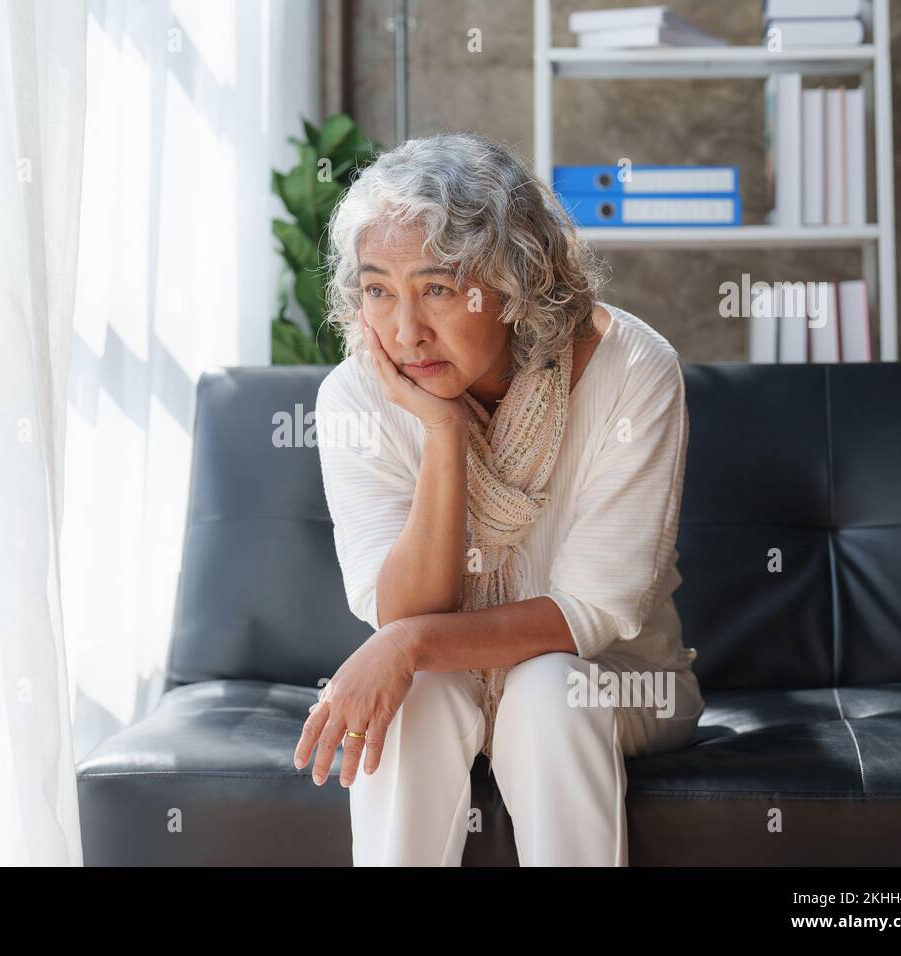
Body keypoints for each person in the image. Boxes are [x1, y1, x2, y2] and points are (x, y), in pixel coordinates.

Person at [291, 131, 705, 866]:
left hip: (611, 679)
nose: (404, 330)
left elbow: (591, 613)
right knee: (414, 694)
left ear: (514, 283)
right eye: (379, 290)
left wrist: (409, 643)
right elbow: (402, 611)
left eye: (438, 289)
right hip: (446, 679)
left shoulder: (636, 370)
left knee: (546, 689)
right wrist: (444, 434)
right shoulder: (357, 395)